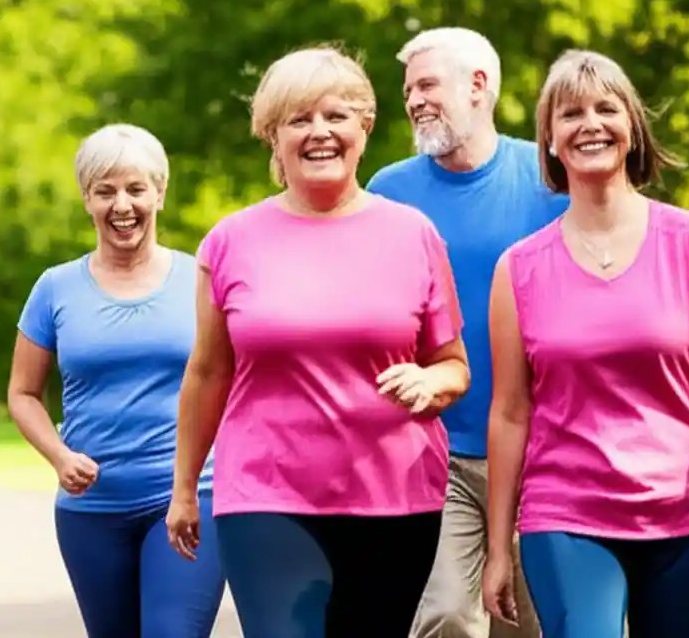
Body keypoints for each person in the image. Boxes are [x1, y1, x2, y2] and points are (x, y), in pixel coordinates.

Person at [165, 45, 470, 638]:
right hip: (265, 494)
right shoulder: (232, 241)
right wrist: (183, 489)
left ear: (364, 125)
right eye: (298, 120)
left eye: (335, 116)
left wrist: (431, 381)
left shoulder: (413, 235)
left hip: (395, 497)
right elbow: (206, 374)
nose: (319, 133)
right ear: (272, 138)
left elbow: (453, 365)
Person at [481, 49, 689, 637]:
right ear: (548, 139)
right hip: (566, 511)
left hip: (682, 513)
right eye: (571, 113)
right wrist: (498, 547)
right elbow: (509, 412)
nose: (590, 124)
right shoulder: (519, 269)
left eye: (607, 108)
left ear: (632, 129)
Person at [366, 27, 564, 638]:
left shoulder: (547, 180)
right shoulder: (387, 194)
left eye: (427, 84)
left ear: (479, 85)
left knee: (533, 624)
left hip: (542, 450)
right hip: (435, 452)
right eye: (407, 91)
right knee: (447, 613)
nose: (414, 101)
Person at [7, 124, 227, 638]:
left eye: (135, 189)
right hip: (92, 510)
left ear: (160, 193)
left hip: (188, 499)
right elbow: (21, 393)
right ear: (87, 199)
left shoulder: (200, 280)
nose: (121, 205)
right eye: (105, 191)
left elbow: (228, 382)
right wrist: (59, 456)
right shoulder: (55, 288)